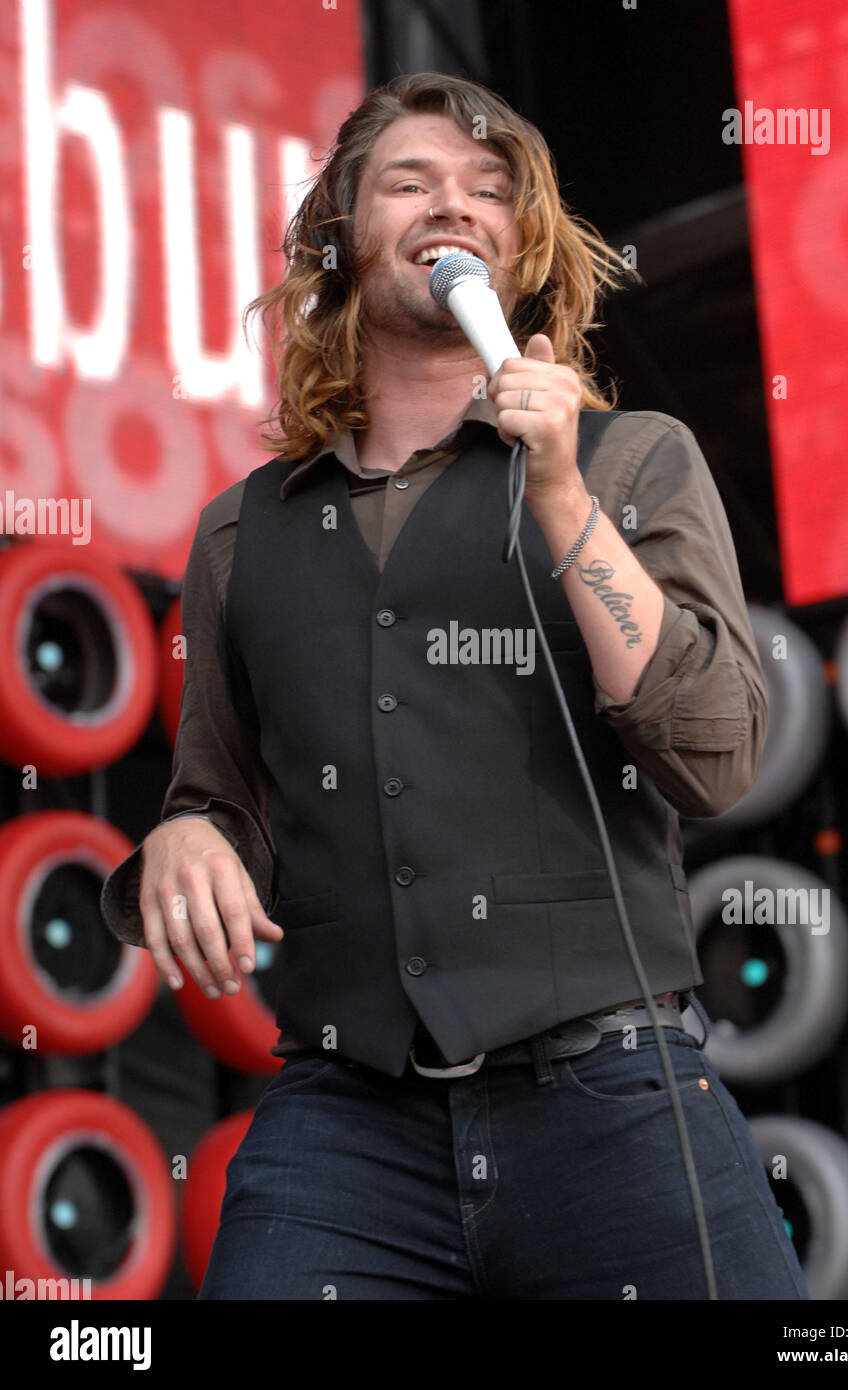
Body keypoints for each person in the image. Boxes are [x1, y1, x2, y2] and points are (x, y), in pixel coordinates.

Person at [101, 71, 809, 1301]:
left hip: (615, 1097)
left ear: (519, 251)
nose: (455, 207)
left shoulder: (632, 457)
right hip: (344, 1124)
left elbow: (712, 752)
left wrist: (560, 496)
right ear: (338, 230)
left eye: (490, 192)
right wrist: (179, 837)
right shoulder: (239, 534)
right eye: (411, 182)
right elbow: (222, 797)